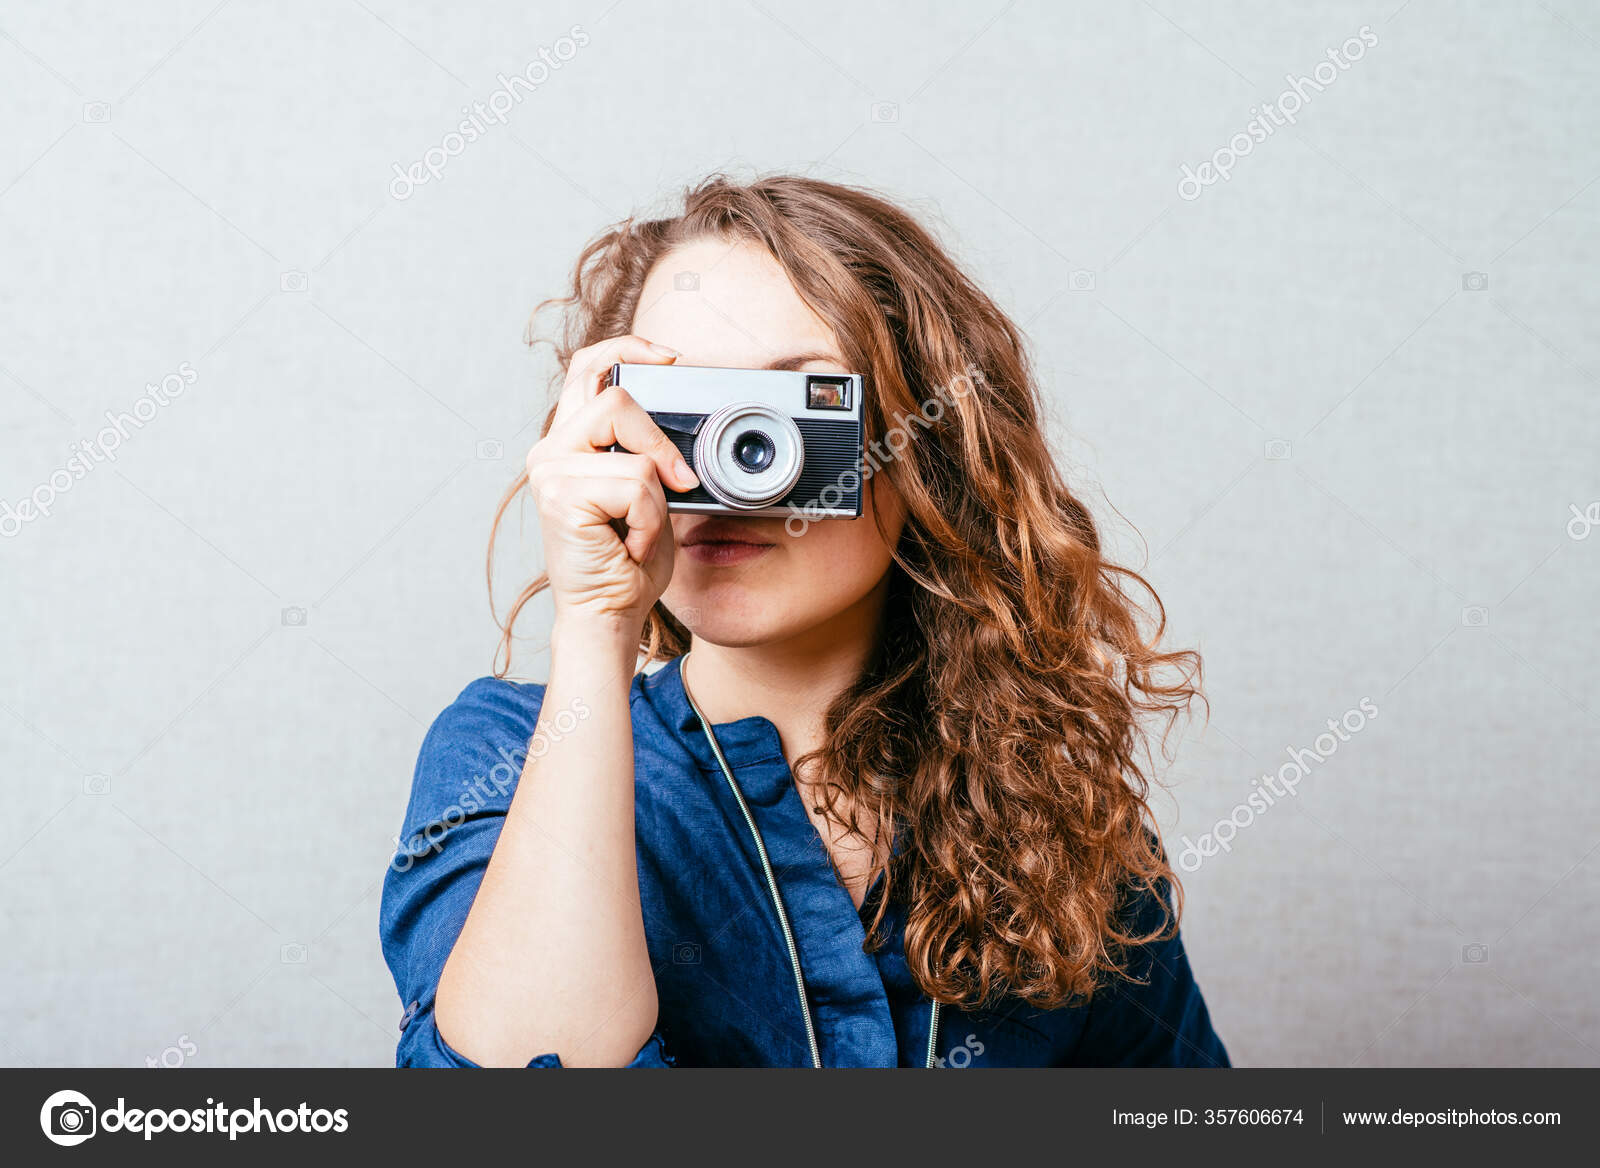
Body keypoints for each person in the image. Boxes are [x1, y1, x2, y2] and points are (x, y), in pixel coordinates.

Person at [380, 175, 1229, 1068]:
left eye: (785, 414)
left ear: (921, 450)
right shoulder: (505, 758)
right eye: (681, 413)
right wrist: (596, 623)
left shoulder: (1050, 808)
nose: (726, 466)